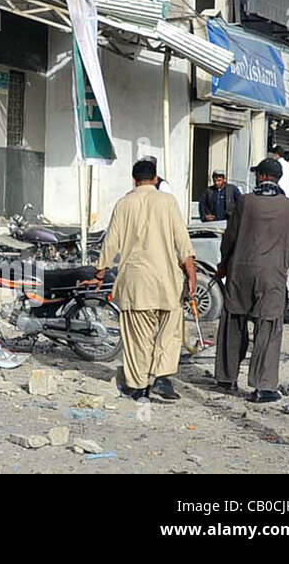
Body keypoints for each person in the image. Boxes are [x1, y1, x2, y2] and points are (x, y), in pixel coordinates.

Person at [95, 158, 196, 401]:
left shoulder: (124, 203)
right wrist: (191, 275)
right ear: (155, 178)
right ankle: (162, 377)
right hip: (167, 281)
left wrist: (100, 271)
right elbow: (183, 243)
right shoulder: (168, 202)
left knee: (137, 336)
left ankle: (138, 385)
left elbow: (111, 242)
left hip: (136, 281)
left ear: (134, 179)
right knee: (170, 332)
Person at [215, 157, 289, 402]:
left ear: (262, 176)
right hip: (272, 276)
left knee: (233, 323)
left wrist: (223, 265)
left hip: (240, 272)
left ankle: (226, 378)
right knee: (268, 328)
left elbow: (229, 238)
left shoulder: (245, 202)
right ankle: (263, 387)